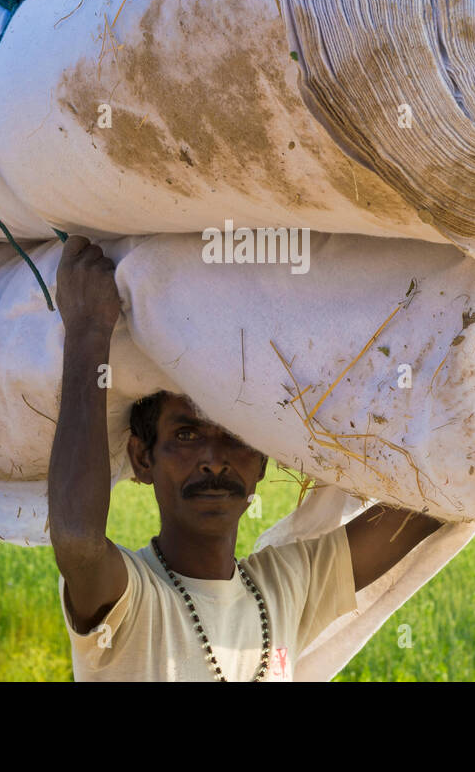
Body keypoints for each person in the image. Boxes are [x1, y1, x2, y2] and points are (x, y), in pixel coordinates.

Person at [49, 235, 445, 681]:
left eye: (236, 437)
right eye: (186, 434)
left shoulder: (284, 588)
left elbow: (434, 501)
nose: (214, 460)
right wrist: (87, 331)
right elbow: (79, 543)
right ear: (142, 459)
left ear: (261, 462)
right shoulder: (133, 595)